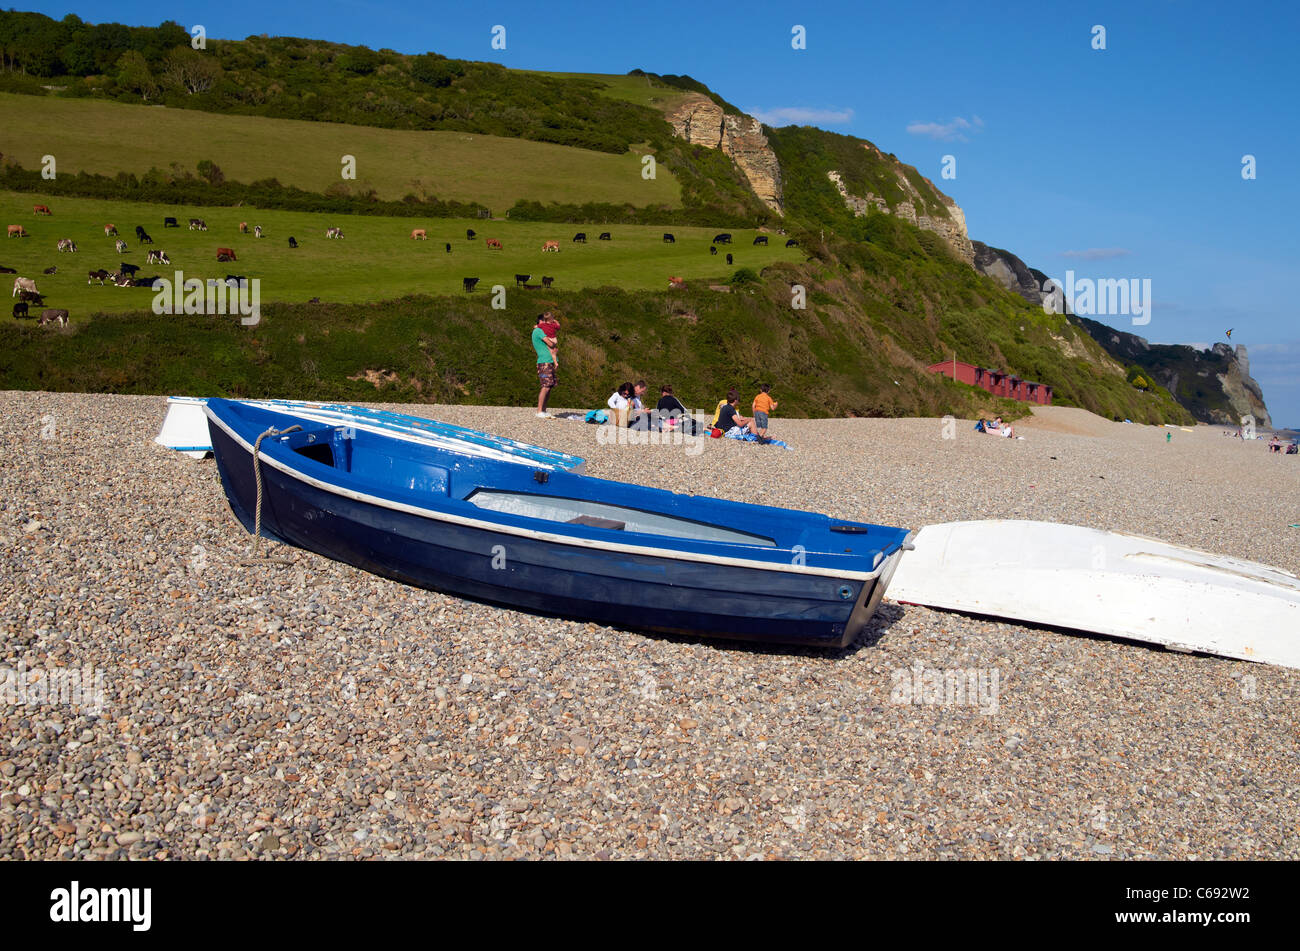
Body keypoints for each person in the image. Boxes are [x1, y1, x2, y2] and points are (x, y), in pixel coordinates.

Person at [532, 314, 558, 418]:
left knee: (549, 386)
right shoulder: (538, 331)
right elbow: (551, 344)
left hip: (549, 361)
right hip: (544, 361)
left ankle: (543, 410)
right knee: (545, 386)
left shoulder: (542, 330)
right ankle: (539, 411)